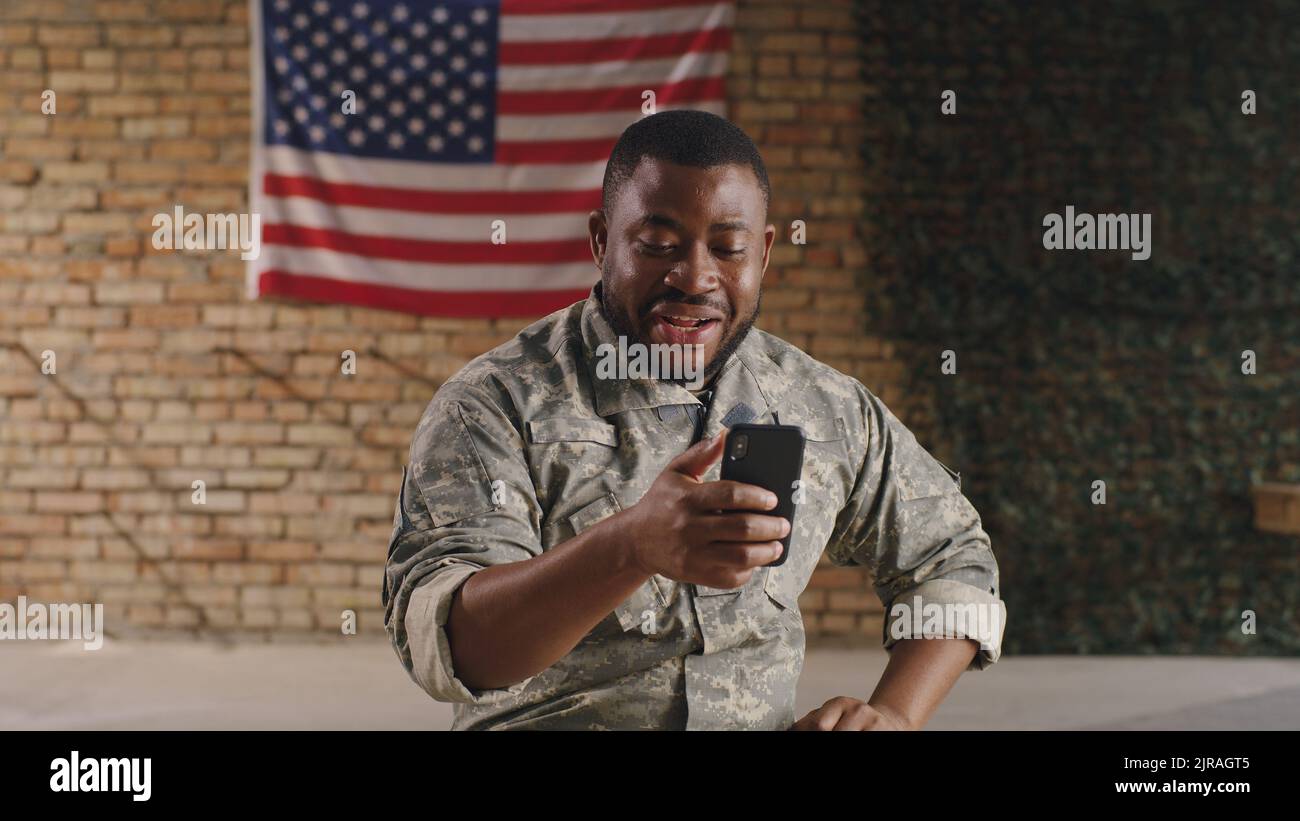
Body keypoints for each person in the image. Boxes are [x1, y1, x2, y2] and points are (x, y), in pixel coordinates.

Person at [383, 109, 1006, 730]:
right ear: (602, 240)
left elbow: (952, 558)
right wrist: (629, 547)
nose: (695, 277)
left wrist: (894, 714)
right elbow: (459, 649)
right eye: (658, 246)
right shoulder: (492, 405)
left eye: (728, 249)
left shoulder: (825, 405)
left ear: (762, 252)